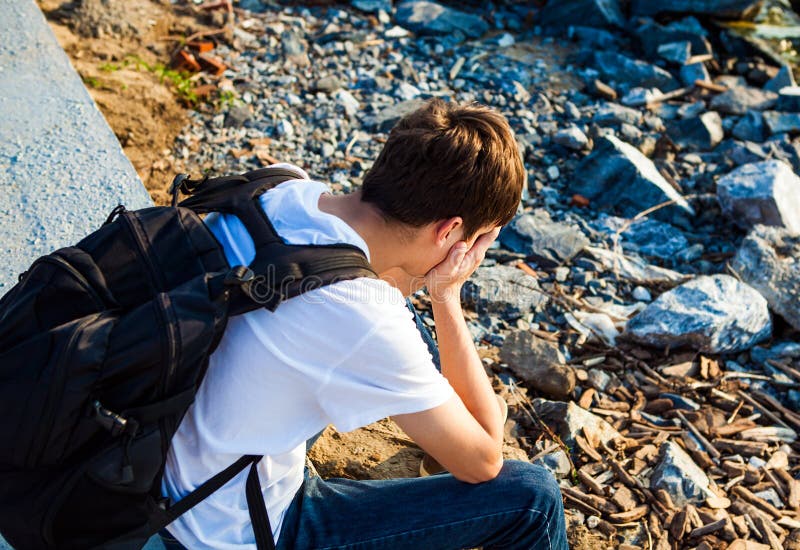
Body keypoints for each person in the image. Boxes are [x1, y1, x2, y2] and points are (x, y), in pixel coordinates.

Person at [160, 98, 568, 549]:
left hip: (161, 459)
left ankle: (437, 428)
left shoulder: (277, 186)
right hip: (223, 530)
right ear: (449, 231)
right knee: (534, 498)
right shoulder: (362, 315)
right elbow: (486, 462)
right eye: (471, 241)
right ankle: (441, 431)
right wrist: (447, 293)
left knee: (394, 299)